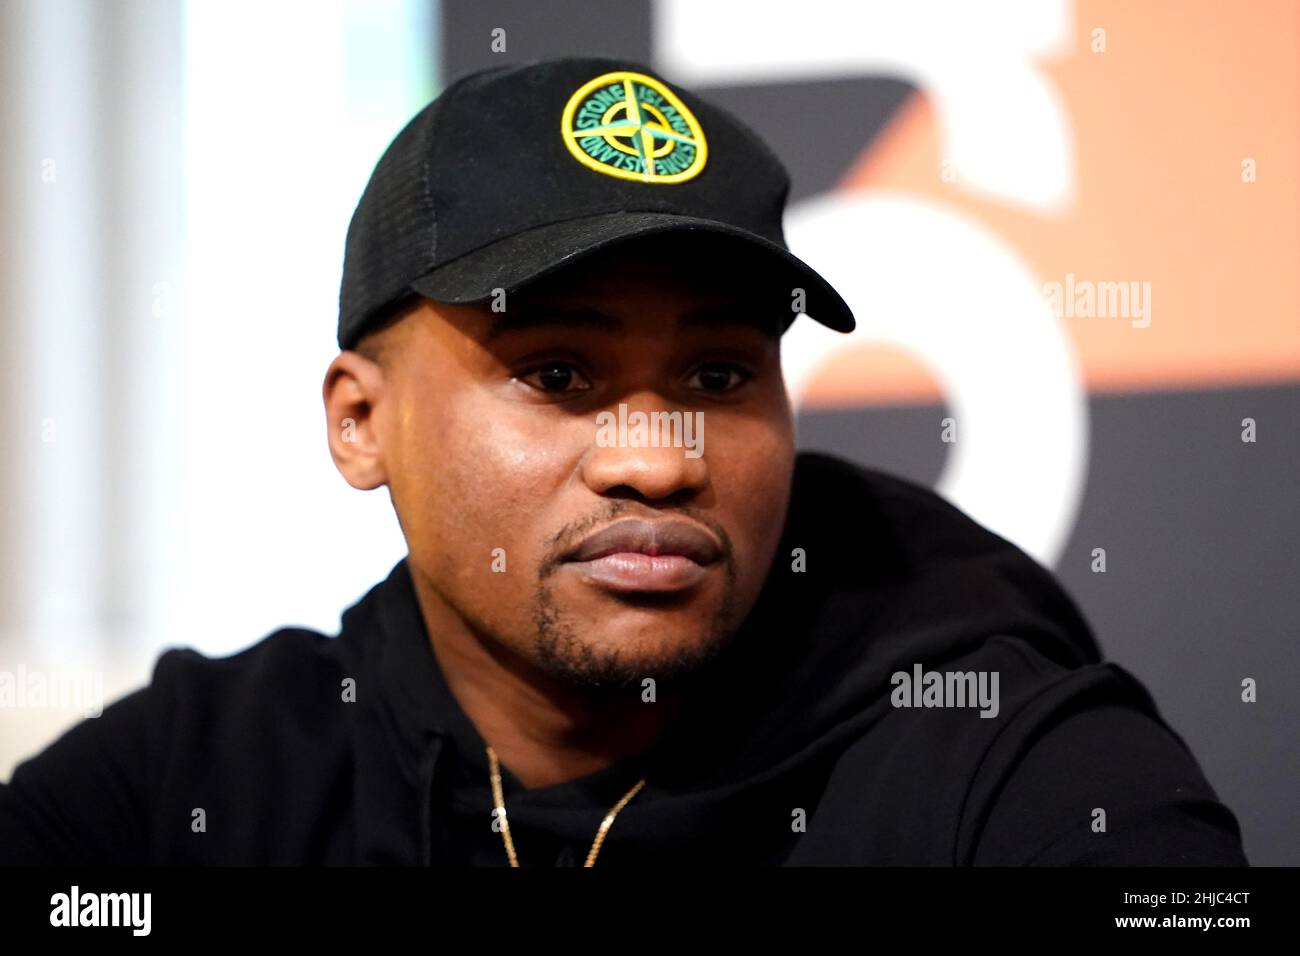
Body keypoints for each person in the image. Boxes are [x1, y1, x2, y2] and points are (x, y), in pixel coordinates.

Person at [0, 56, 1247, 866]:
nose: (656, 466)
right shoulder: (204, 781)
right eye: (556, 374)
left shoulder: (996, 761)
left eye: (716, 378)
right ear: (358, 423)